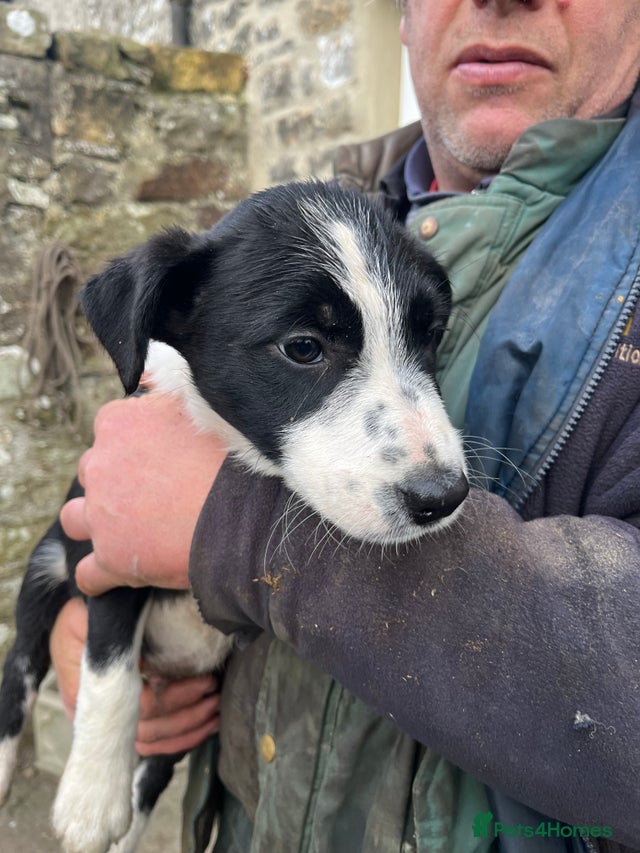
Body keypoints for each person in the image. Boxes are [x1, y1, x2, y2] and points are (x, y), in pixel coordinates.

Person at [53, 0, 640, 850]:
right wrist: (111, 641)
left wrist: (231, 526)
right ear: (404, 15)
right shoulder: (346, 217)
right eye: (304, 346)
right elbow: (126, 526)